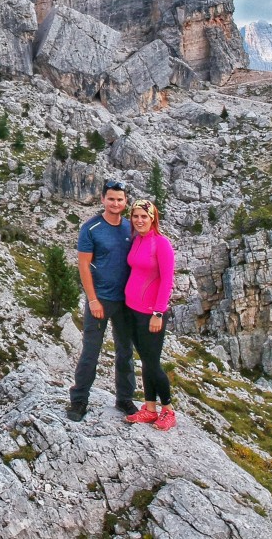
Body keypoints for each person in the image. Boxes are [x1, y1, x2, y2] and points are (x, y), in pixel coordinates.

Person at [66, 179, 137, 421]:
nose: (115, 203)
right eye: (111, 199)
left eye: (120, 199)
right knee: (91, 351)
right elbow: (83, 266)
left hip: (127, 301)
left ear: (125, 201)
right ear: (103, 200)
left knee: (125, 351)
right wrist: (93, 300)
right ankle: (78, 400)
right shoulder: (91, 228)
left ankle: (125, 398)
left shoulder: (131, 227)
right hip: (101, 299)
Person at [122, 199, 177, 431]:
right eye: (135, 216)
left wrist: (158, 312)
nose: (139, 220)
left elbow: (167, 280)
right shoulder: (137, 241)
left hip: (150, 314)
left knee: (152, 364)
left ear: (153, 218)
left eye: (144, 216)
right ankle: (149, 408)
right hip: (131, 310)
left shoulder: (161, 244)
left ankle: (168, 409)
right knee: (145, 361)